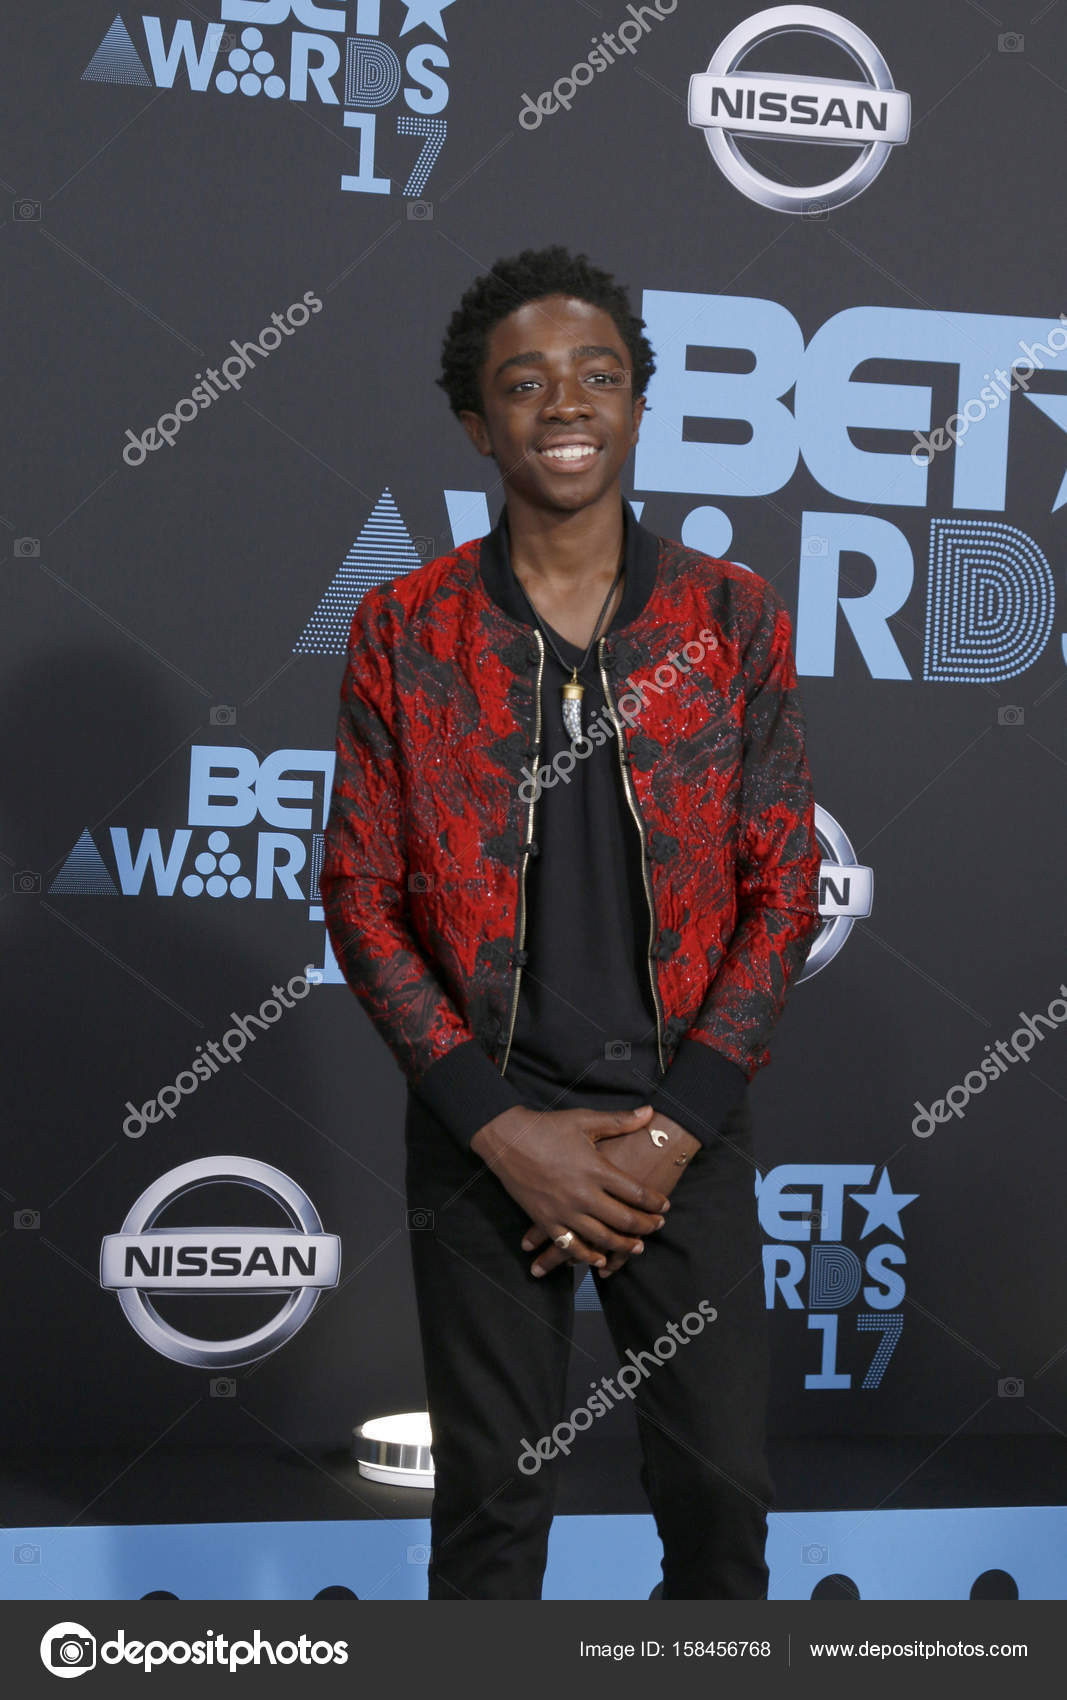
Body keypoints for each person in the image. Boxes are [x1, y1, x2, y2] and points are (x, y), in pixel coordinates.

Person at [320, 245, 821, 1600]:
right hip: (488, 1128)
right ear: (478, 423)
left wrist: (667, 1136)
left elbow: (786, 889)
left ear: (640, 407)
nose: (565, 404)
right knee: (489, 1515)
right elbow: (361, 896)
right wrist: (500, 1128)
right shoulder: (403, 628)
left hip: (687, 1131)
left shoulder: (733, 617)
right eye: (525, 383)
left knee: (722, 1510)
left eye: (599, 375)